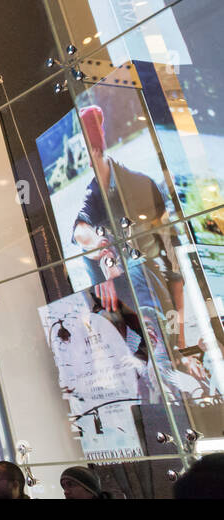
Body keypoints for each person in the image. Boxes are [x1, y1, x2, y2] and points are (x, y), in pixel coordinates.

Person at [71, 106, 206, 384]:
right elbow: (80, 232)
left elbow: (174, 269)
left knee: (137, 269)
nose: (89, 159)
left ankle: (164, 358)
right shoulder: (93, 194)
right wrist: (103, 253)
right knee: (101, 266)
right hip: (126, 308)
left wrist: (179, 342)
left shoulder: (140, 185)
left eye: (91, 150)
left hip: (148, 293)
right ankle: (151, 359)